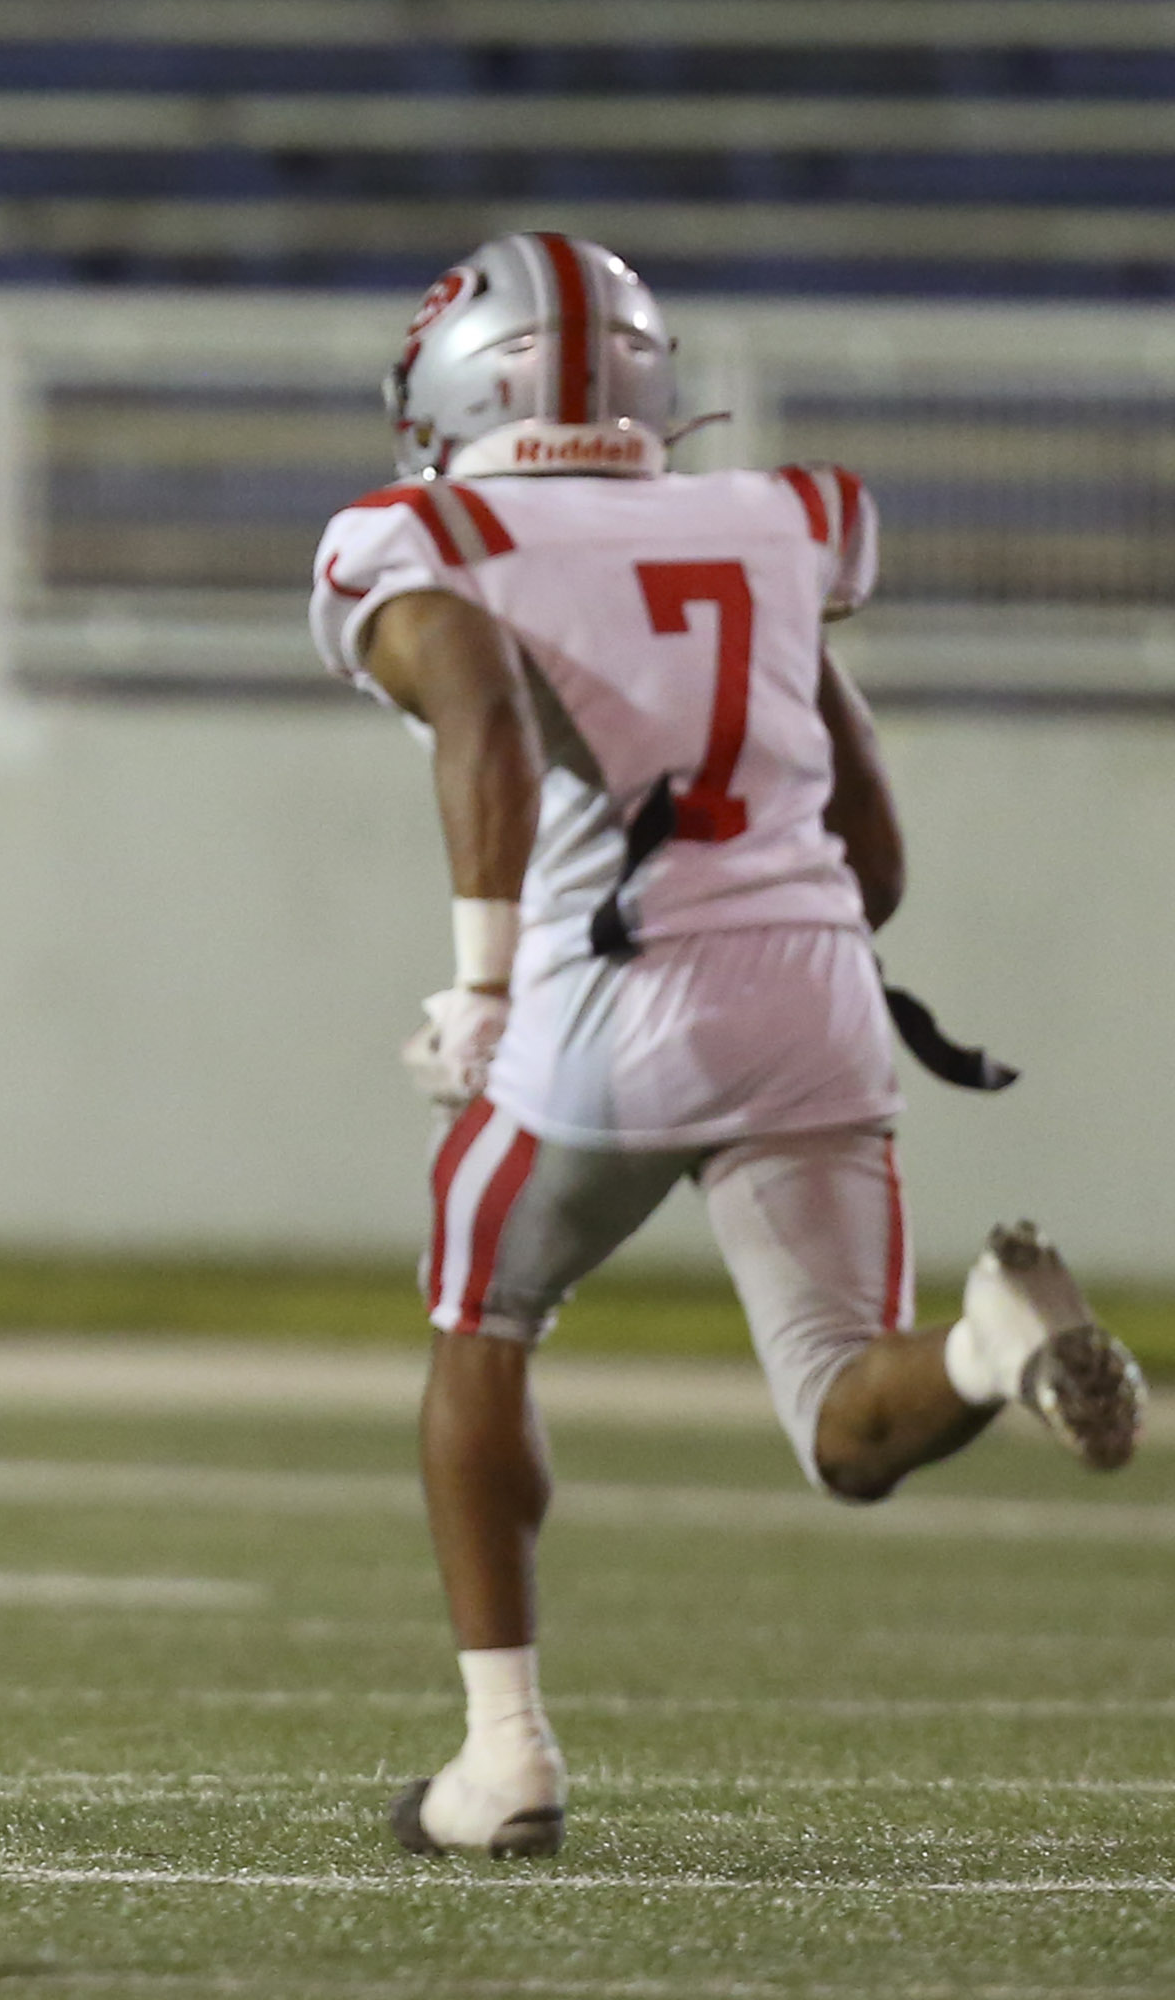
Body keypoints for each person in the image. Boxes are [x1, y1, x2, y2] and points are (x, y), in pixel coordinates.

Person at [307, 231, 1145, 1859]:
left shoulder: (434, 530)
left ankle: (504, 1760)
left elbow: (477, 712)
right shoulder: (768, 519)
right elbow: (875, 849)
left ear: (455, 390)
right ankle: (990, 1345)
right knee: (846, 1426)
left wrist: (482, 989)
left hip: (611, 1015)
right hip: (819, 986)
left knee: (482, 1319)